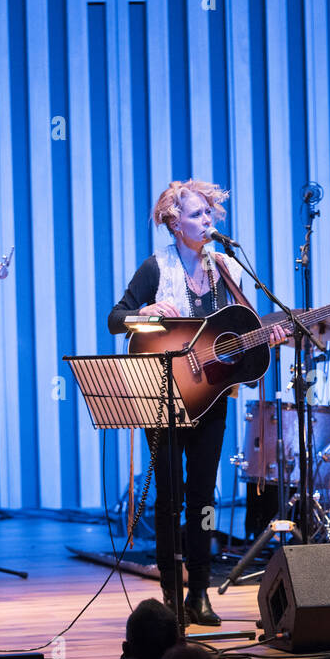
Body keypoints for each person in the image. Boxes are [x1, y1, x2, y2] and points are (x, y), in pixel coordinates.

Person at [107, 179, 286, 626]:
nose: (205, 222)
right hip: (165, 394)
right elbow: (115, 320)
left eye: (209, 214)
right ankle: (169, 596)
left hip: (212, 396)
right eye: (195, 215)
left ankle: (199, 593)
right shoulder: (155, 267)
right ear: (173, 222)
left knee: (203, 497)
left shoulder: (227, 268)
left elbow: (238, 331)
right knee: (169, 499)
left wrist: (271, 335)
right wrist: (143, 315)